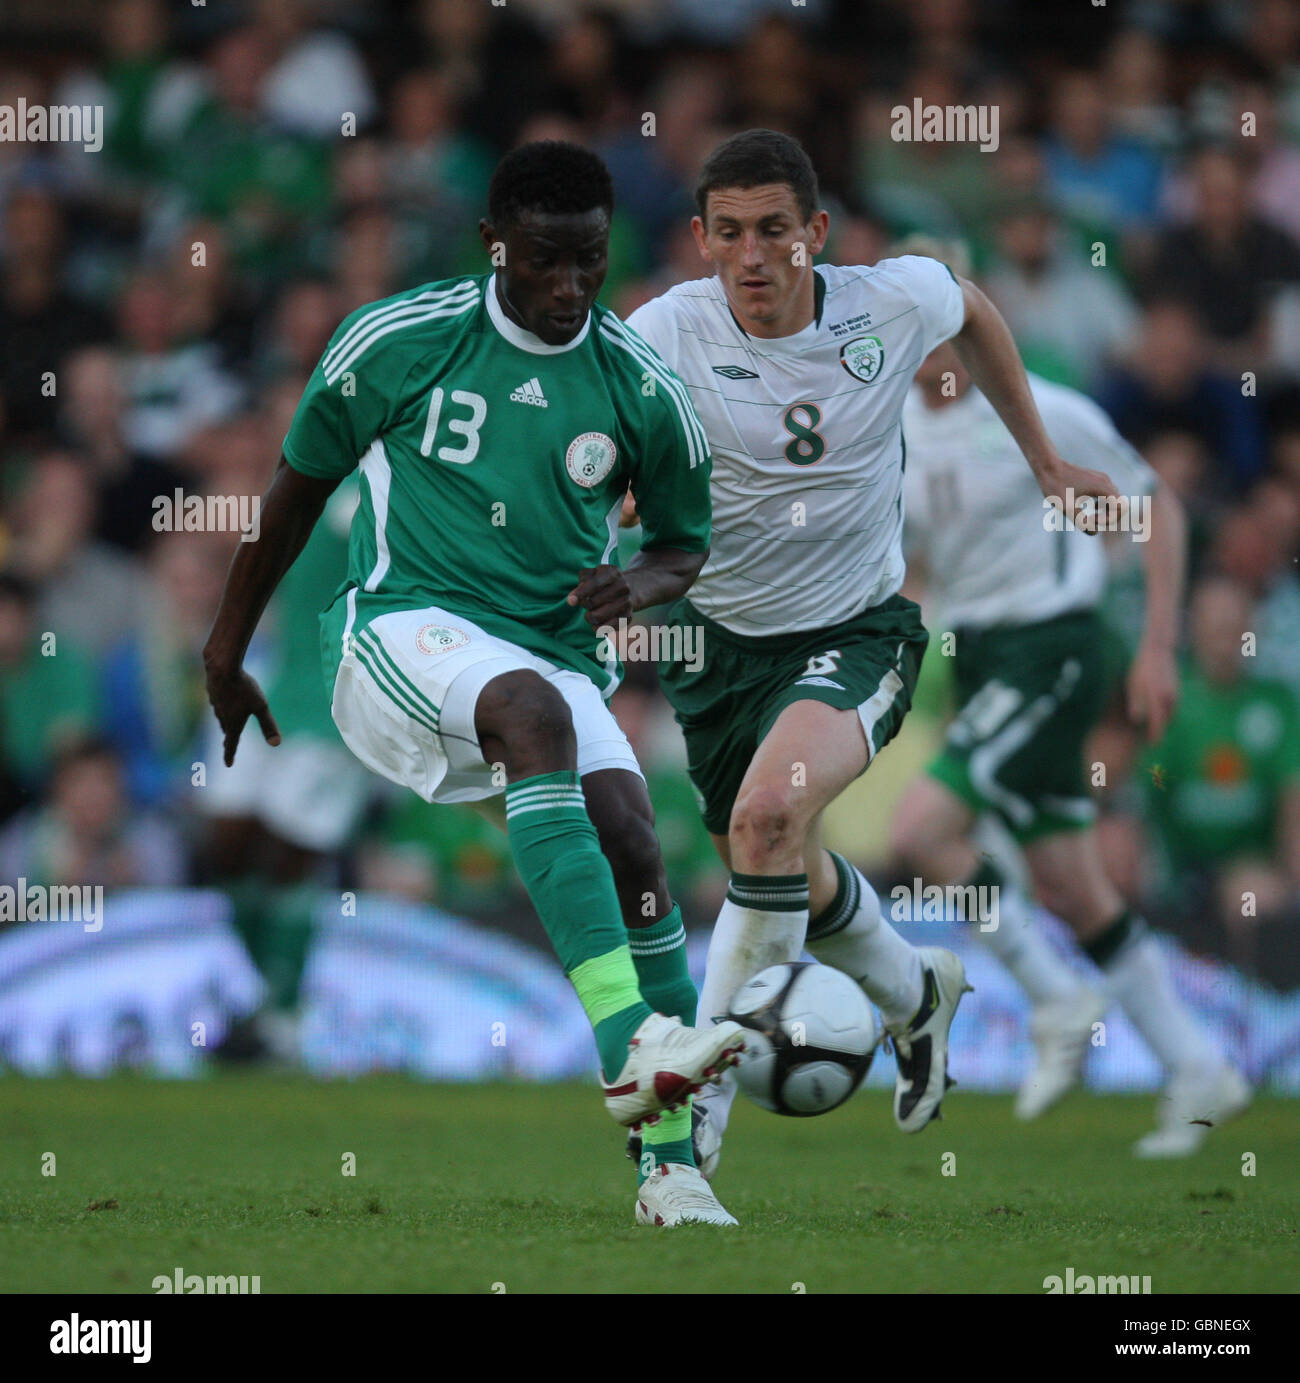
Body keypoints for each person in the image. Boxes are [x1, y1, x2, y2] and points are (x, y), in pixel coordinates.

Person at [202, 141, 745, 1227]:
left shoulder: (638, 386)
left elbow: (688, 539)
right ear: (493, 244)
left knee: (634, 834)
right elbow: (295, 498)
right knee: (533, 716)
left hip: (547, 653)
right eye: (545, 261)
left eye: (589, 262)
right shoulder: (397, 340)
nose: (569, 287)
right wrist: (224, 651)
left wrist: (639, 581)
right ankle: (628, 1042)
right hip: (400, 633)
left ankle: (671, 1169)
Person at [622, 129, 1120, 1181]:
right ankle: (913, 994)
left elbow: (974, 311)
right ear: (700, 240)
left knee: (765, 821)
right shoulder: (664, 328)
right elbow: (601, 443)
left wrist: (1043, 461)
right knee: (777, 865)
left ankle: (696, 1099)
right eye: (727, 234)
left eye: (772, 231)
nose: (751, 257)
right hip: (713, 648)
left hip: (853, 630)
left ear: (817, 233)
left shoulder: (887, 301)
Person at [894, 323, 1252, 1158]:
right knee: (1072, 886)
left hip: (1051, 648)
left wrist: (1159, 644)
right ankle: (1199, 1067)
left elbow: (1153, 501)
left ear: (969, 340)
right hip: (981, 660)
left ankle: (1054, 995)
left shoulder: (1040, 413)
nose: (924, 354)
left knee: (921, 830)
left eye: (940, 334)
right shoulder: (894, 434)